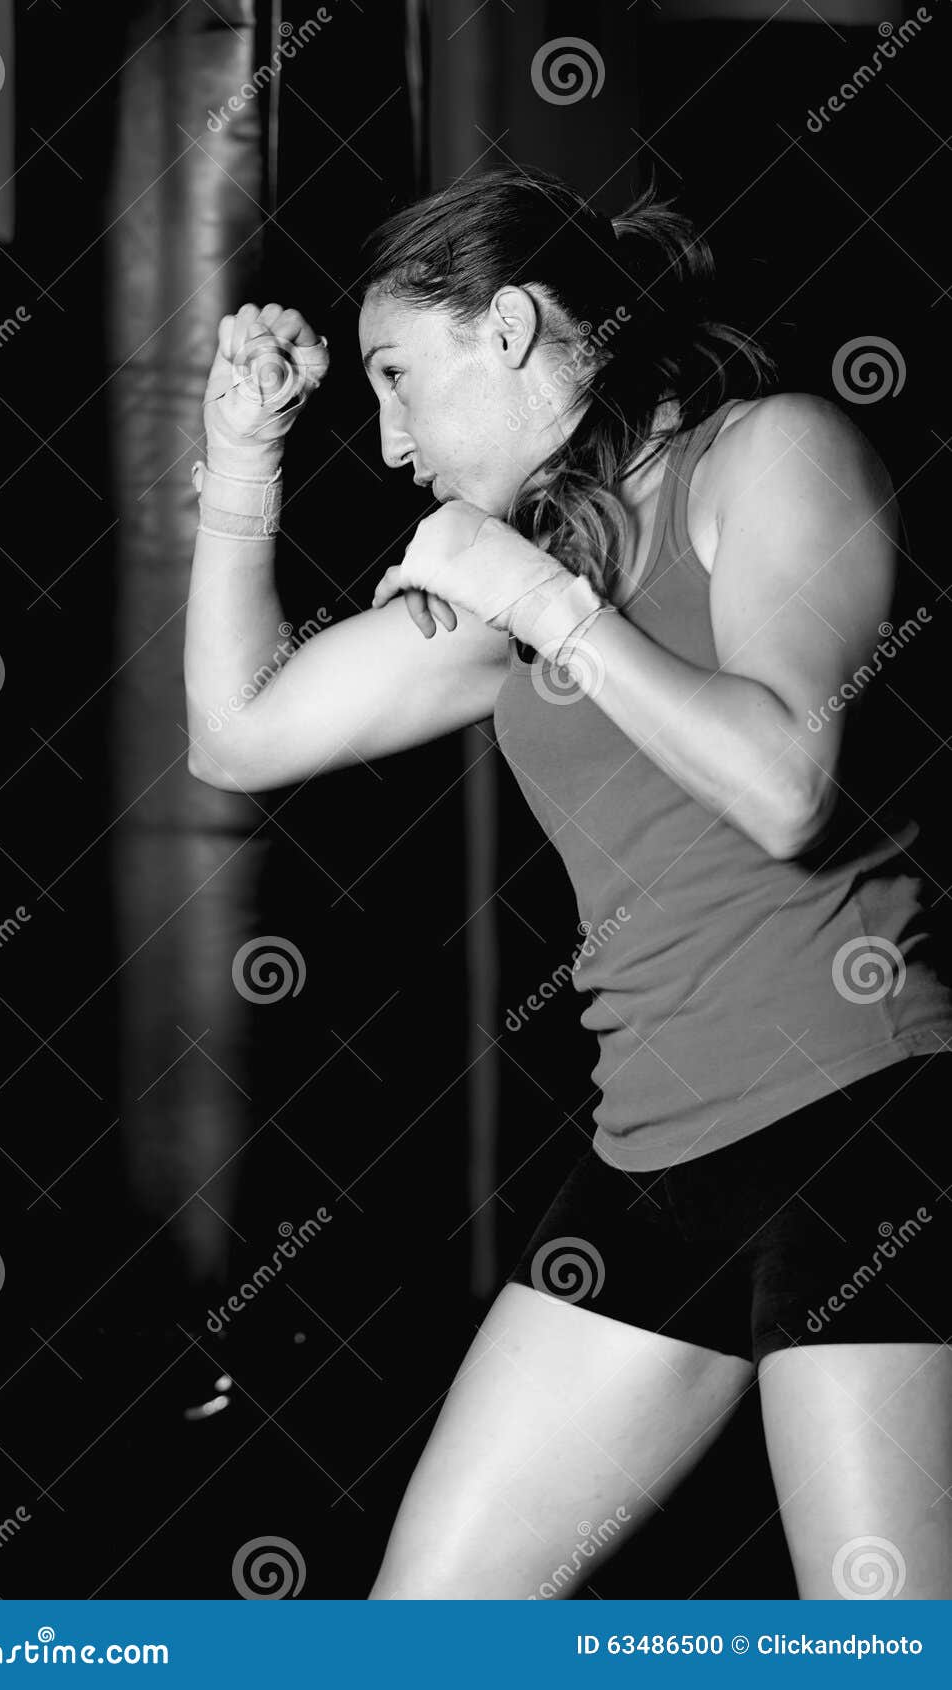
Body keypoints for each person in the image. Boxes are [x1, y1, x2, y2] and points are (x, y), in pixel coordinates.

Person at [183, 165, 952, 1600]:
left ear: (520, 326)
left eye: (403, 377)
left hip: (862, 1126)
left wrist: (546, 605)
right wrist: (243, 461)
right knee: (429, 1633)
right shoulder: (532, 560)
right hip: (654, 1156)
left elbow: (788, 786)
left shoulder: (769, 452)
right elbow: (239, 735)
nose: (395, 440)